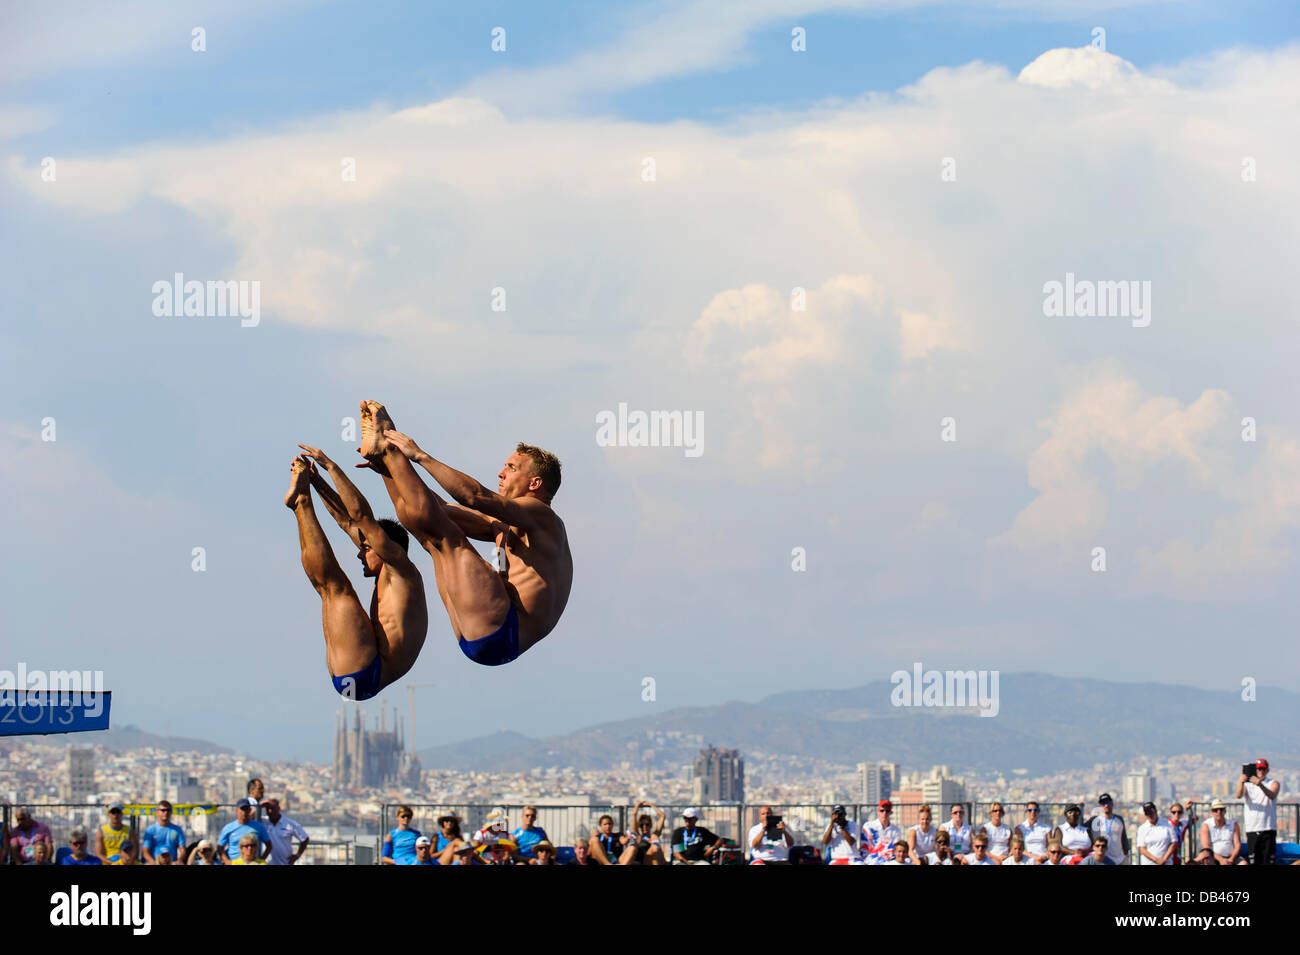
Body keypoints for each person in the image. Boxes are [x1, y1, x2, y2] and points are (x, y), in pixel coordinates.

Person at [356, 401, 573, 667]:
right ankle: (385, 456)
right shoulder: (505, 525)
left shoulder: (544, 517)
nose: (501, 473)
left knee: (446, 537)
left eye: (512, 468)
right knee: (429, 536)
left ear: (535, 483)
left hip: (503, 629)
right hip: (482, 633)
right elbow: (441, 509)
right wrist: (389, 473)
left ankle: (388, 448)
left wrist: (419, 456)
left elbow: (474, 496)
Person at [288, 449, 428, 701]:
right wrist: (316, 480)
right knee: (329, 589)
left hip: (365, 672)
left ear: (386, 546)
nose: (359, 555)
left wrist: (331, 466)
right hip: (356, 668)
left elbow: (361, 517)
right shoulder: (389, 571)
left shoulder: (402, 569)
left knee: (335, 587)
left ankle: (301, 504)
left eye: (365, 550)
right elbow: (347, 522)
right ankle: (302, 501)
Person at [1237, 758, 1281, 865]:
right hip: (1252, 828)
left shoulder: (1273, 783)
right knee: (1254, 861)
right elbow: (1238, 795)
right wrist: (1241, 782)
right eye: (1258, 769)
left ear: (1267, 770)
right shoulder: (1248, 785)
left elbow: (1272, 795)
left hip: (1268, 828)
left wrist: (1260, 784)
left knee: (1268, 860)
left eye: (1263, 769)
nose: (1261, 771)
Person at [263, 799, 310, 865]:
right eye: (267, 809)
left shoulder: (290, 824)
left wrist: (297, 855)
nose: (270, 811)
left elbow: (305, 839)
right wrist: (260, 805)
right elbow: (249, 817)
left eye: (272, 808)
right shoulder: (263, 822)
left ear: (278, 808)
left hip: (284, 862)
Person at [1086, 794, 1129, 865]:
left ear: (1112, 804)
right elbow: (1080, 828)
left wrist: (1126, 855)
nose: (1106, 805)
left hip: (1119, 859)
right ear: (1100, 806)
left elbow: (1124, 839)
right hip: (1103, 860)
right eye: (1103, 803)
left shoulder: (1119, 819)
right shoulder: (1094, 820)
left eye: (1108, 803)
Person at [142, 800, 188, 865]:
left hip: (172, 862)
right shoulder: (150, 830)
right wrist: (152, 862)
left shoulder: (177, 830)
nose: (166, 813)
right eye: (163, 810)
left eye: (168, 810)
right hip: (155, 862)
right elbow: (145, 851)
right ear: (157, 812)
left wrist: (179, 860)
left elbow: (182, 849)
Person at [1201, 799, 1244, 865]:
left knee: (1244, 863)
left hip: (1231, 857)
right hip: (1213, 858)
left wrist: (1231, 859)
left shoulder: (1234, 824)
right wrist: (1221, 860)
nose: (1219, 812)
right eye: (1216, 810)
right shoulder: (1206, 825)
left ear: (1225, 811)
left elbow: (1238, 845)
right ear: (1212, 812)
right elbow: (1206, 847)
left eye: (1221, 810)